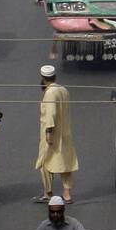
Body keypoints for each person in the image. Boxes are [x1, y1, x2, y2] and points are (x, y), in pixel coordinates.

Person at [35, 65, 78, 203]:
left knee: (44, 163)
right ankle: (67, 194)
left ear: (43, 78)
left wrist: (49, 132)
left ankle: (48, 193)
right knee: (65, 164)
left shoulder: (50, 92)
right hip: (65, 134)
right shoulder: (63, 90)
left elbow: (51, 113)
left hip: (53, 135)